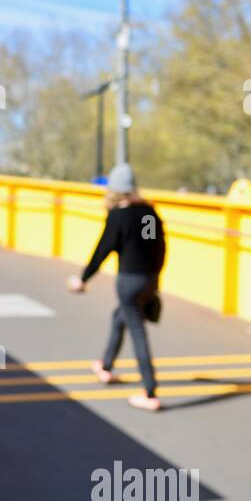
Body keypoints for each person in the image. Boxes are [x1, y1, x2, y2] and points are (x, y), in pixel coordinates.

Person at [68, 163, 166, 412]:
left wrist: (83, 278)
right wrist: (154, 280)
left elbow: (103, 249)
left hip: (129, 282)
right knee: (119, 317)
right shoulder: (147, 213)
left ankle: (149, 390)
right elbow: (156, 246)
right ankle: (106, 366)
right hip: (149, 279)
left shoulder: (119, 216)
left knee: (137, 330)